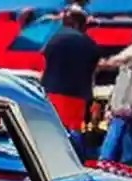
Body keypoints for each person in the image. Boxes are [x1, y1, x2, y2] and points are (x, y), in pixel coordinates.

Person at [42, 5, 100, 156]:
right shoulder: (90, 45)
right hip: (77, 95)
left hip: (52, 91)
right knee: (74, 130)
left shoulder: (54, 39)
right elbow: (92, 71)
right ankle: (76, 160)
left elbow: (45, 60)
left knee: (51, 128)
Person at [100, 24, 132, 164]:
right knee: (121, 127)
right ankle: (107, 159)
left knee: (129, 129)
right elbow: (116, 61)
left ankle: (122, 161)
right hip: (128, 98)